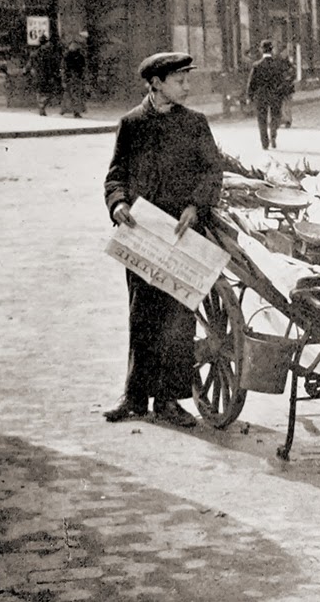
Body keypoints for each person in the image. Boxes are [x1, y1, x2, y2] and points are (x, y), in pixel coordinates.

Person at [103, 52, 223, 427]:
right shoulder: (132, 124)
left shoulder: (195, 124)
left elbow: (211, 171)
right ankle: (135, 397)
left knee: (178, 319)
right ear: (156, 83)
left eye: (188, 79)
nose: (187, 86)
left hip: (183, 233)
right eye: (180, 80)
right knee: (142, 316)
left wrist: (196, 206)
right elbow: (116, 173)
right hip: (143, 235)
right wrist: (118, 203)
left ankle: (169, 400)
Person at [247, 39, 284, 149]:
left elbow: (251, 82)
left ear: (261, 50)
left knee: (261, 119)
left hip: (260, 96)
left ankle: (264, 143)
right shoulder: (277, 64)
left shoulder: (257, 65)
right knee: (275, 116)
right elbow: (282, 81)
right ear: (271, 49)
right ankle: (273, 134)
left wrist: (250, 95)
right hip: (275, 94)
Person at [25, 35, 59, 116]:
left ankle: (41, 106)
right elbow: (52, 65)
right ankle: (42, 106)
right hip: (45, 75)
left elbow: (29, 65)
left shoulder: (36, 54)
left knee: (41, 92)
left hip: (40, 75)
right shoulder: (48, 54)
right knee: (47, 92)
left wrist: (28, 71)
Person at [60, 32, 88, 118]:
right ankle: (76, 111)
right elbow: (83, 68)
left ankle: (66, 110)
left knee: (69, 94)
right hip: (76, 77)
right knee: (76, 95)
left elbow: (64, 67)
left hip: (70, 77)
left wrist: (64, 77)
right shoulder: (80, 56)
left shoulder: (67, 56)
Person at [277, 45, 296, 128]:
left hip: (288, 86)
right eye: (284, 52)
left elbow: (293, 73)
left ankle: (288, 119)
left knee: (287, 104)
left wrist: (290, 78)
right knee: (282, 104)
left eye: (286, 52)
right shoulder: (278, 62)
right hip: (281, 86)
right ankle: (284, 119)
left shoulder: (289, 63)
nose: (285, 53)